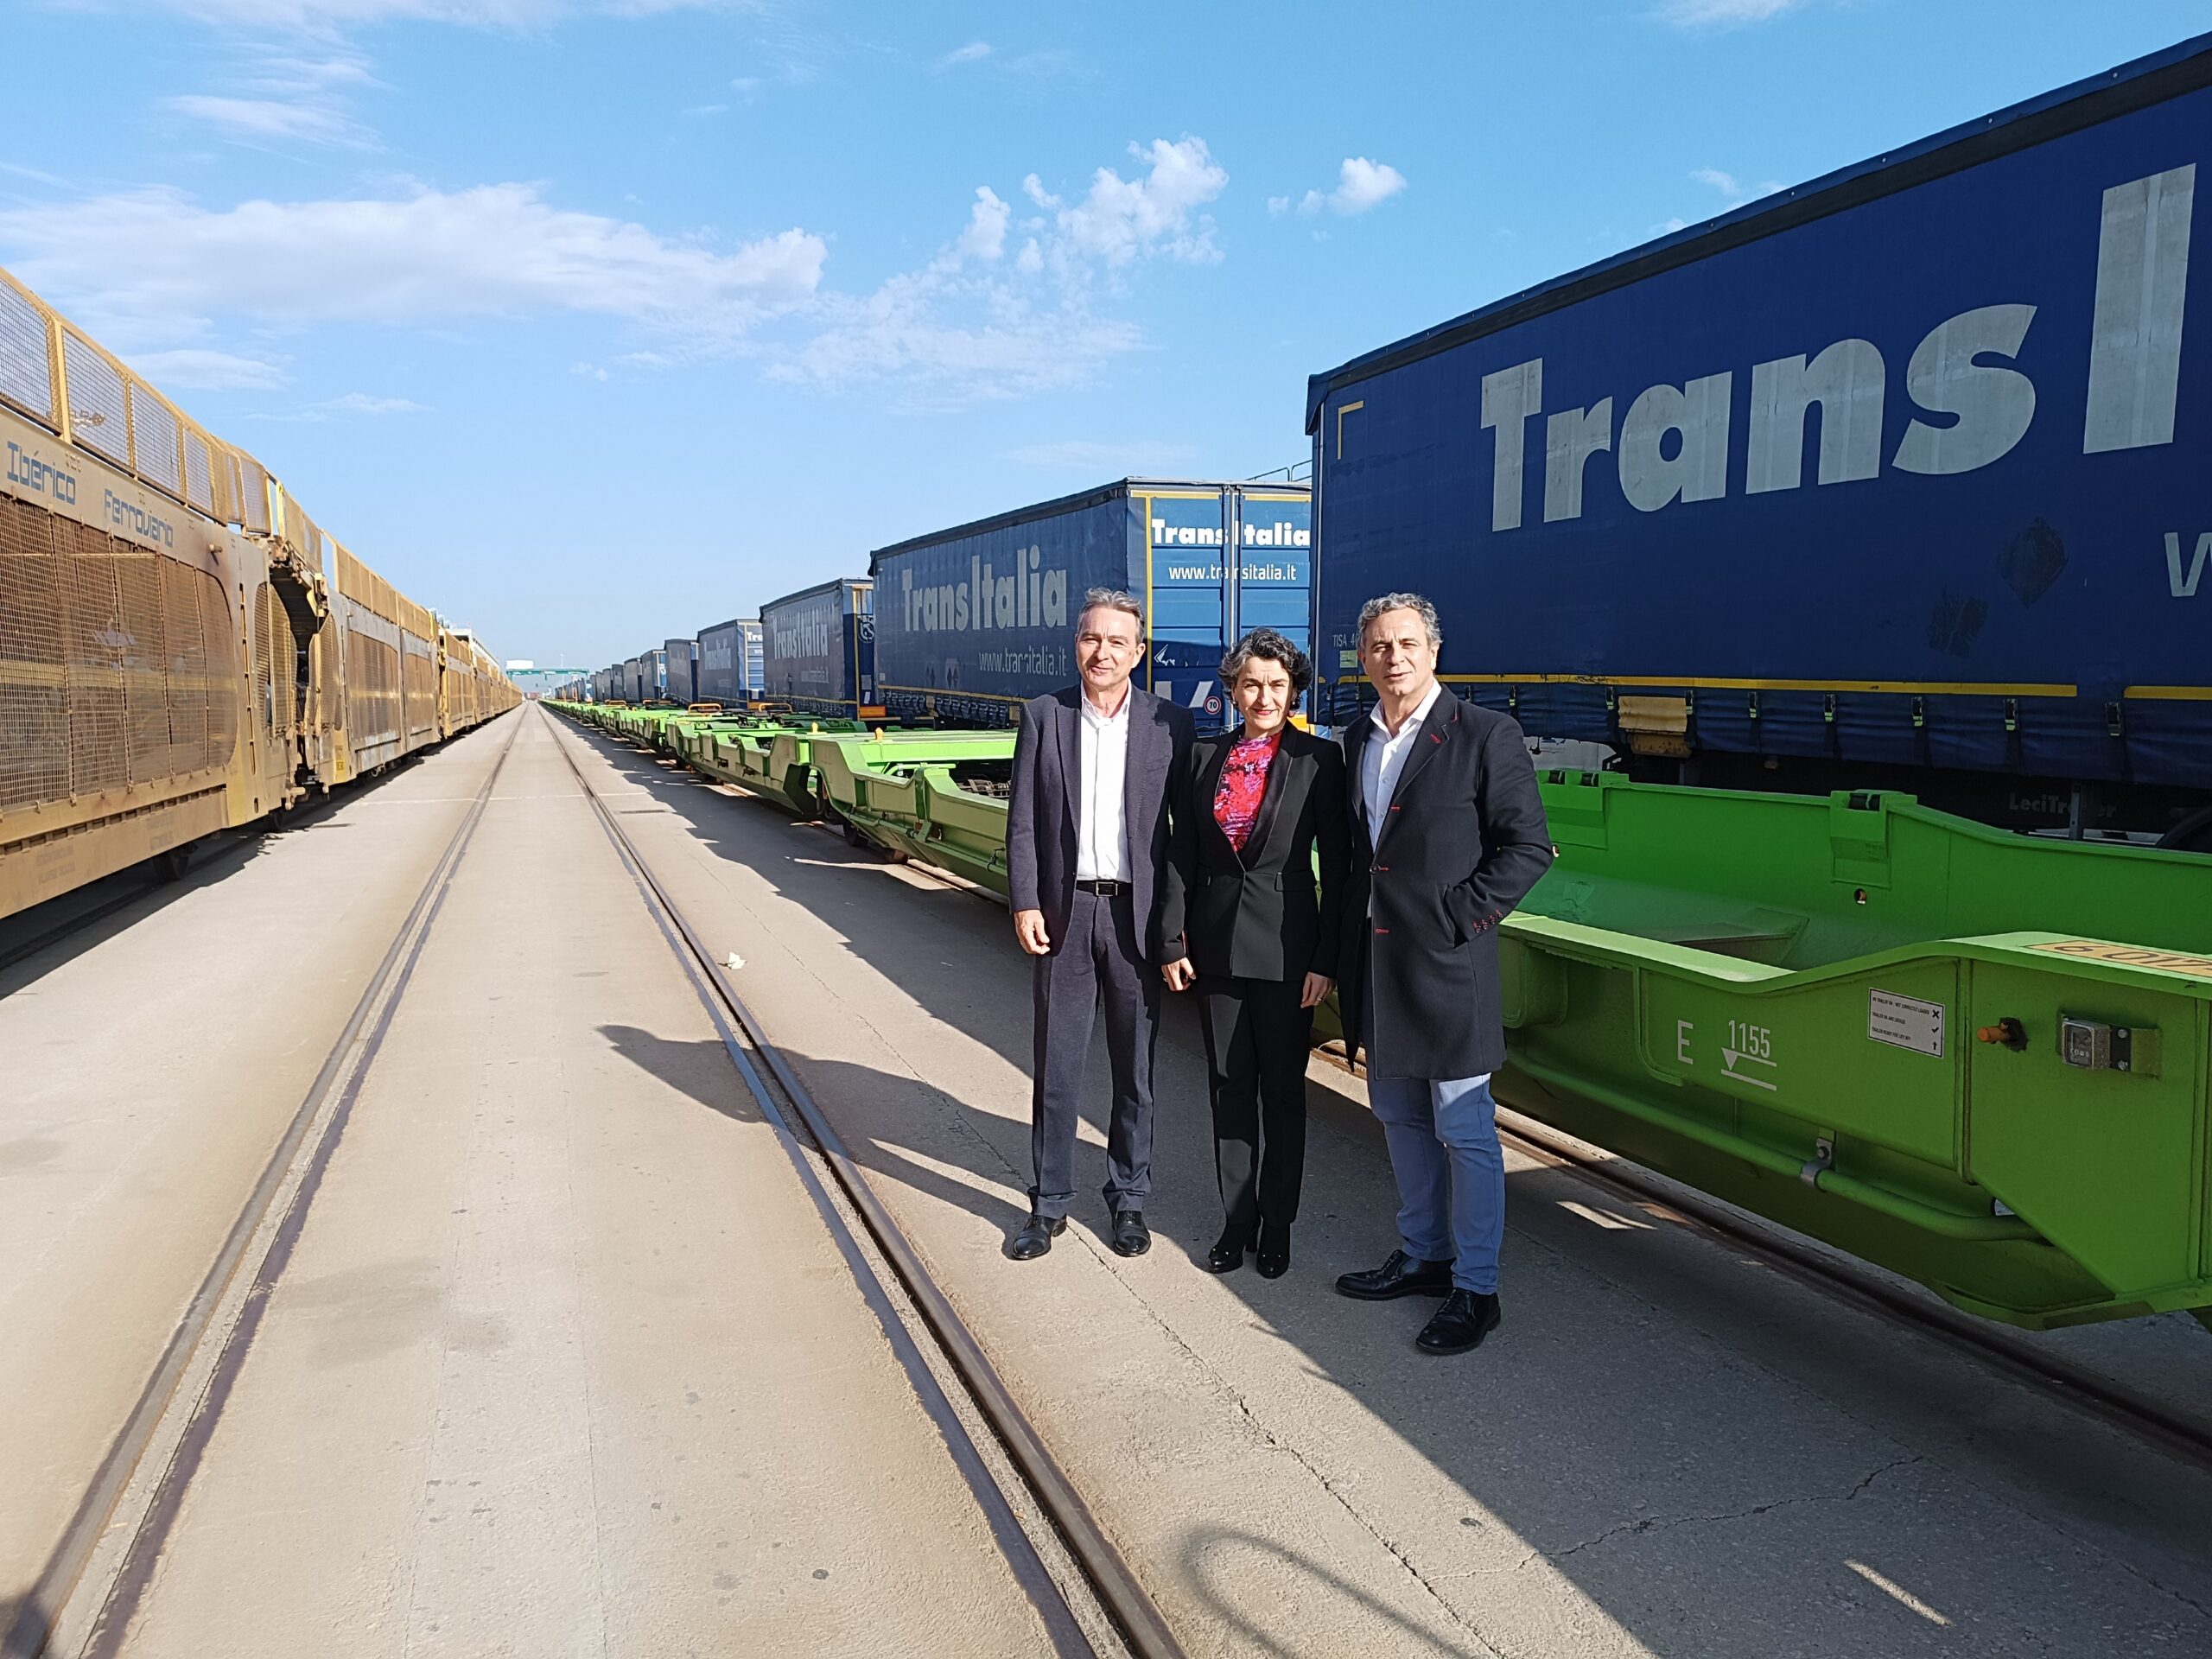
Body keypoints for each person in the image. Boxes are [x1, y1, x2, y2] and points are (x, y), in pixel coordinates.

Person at [1333, 593, 1554, 1355]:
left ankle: (1476, 1289)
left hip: (1450, 965)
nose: (1392, 657)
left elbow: (1528, 848)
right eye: (1378, 646)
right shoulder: (1357, 738)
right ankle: (1425, 1255)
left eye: (1406, 643)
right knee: (1397, 1114)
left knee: (1464, 1128)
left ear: (1433, 650)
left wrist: (1459, 918)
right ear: (1363, 659)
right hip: (1378, 961)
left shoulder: (1485, 734)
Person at [1006, 588, 1195, 1261]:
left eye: (1118, 641)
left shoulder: (1170, 724)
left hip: (1134, 917)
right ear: (1076, 645)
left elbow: (1183, 836)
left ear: (1138, 653)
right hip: (1065, 913)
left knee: (1134, 1070)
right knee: (1057, 1068)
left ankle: (1129, 1199)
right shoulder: (1044, 716)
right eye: (1092, 638)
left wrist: (1175, 928)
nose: (1103, 652)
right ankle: (1049, 1203)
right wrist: (1025, 900)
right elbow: (1023, 820)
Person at [1157, 628, 1349, 1279]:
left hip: (1290, 954)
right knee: (1228, 1089)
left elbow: (1340, 870)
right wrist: (1172, 937)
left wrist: (1327, 959)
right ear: (1233, 691)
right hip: (1215, 950)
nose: (1264, 697)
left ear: (1294, 691)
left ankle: (1278, 1225)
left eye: (1276, 685)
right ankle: (1237, 1220)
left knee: (1283, 1093)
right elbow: (1181, 854)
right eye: (1251, 684)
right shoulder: (1202, 757)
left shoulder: (1320, 760)